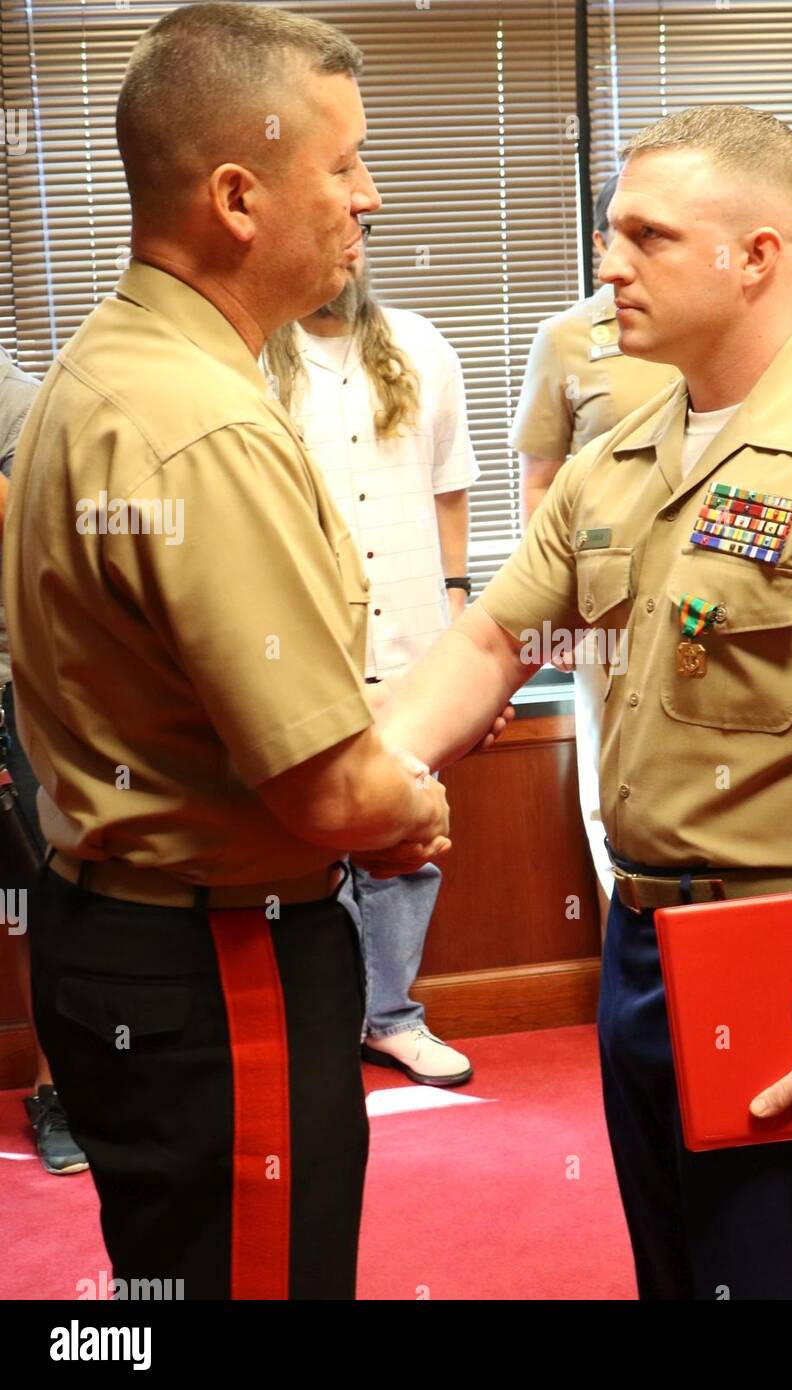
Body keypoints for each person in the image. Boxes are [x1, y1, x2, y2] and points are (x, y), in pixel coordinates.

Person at [372, 105, 792, 1300]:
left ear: (755, 255)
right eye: (609, 234)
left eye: (647, 236)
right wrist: (369, 779)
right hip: (641, 946)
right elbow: (491, 640)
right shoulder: (618, 457)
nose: (608, 264)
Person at [3, 3, 454, 1299]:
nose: (370, 196)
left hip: (121, 930)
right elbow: (330, 793)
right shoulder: (200, 422)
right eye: (343, 163)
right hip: (219, 960)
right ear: (237, 197)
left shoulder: (105, 364)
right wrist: (412, 806)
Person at [263, 244, 477, 1086]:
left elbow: (449, 491)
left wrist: (456, 610)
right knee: (315, 839)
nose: (342, 258)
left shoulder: (424, 347)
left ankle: (390, 1017)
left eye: (354, 244)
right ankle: (325, 1022)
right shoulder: (251, 360)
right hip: (308, 649)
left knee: (404, 834)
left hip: (417, 644)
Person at [512, 175, 678, 928]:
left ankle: (712, 956)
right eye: (627, 235)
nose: (638, 255)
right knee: (610, 784)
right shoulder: (567, 339)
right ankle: (634, 949)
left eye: (659, 236)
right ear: (599, 242)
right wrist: (559, 609)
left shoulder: (713, 333)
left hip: (709, 597)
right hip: (606, 601)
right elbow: (541, 483)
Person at [0, 344, 87, 1175]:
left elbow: (33, 540)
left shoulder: (24, 407)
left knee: (37, 900)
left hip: (14, 691)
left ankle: (56, 1087)